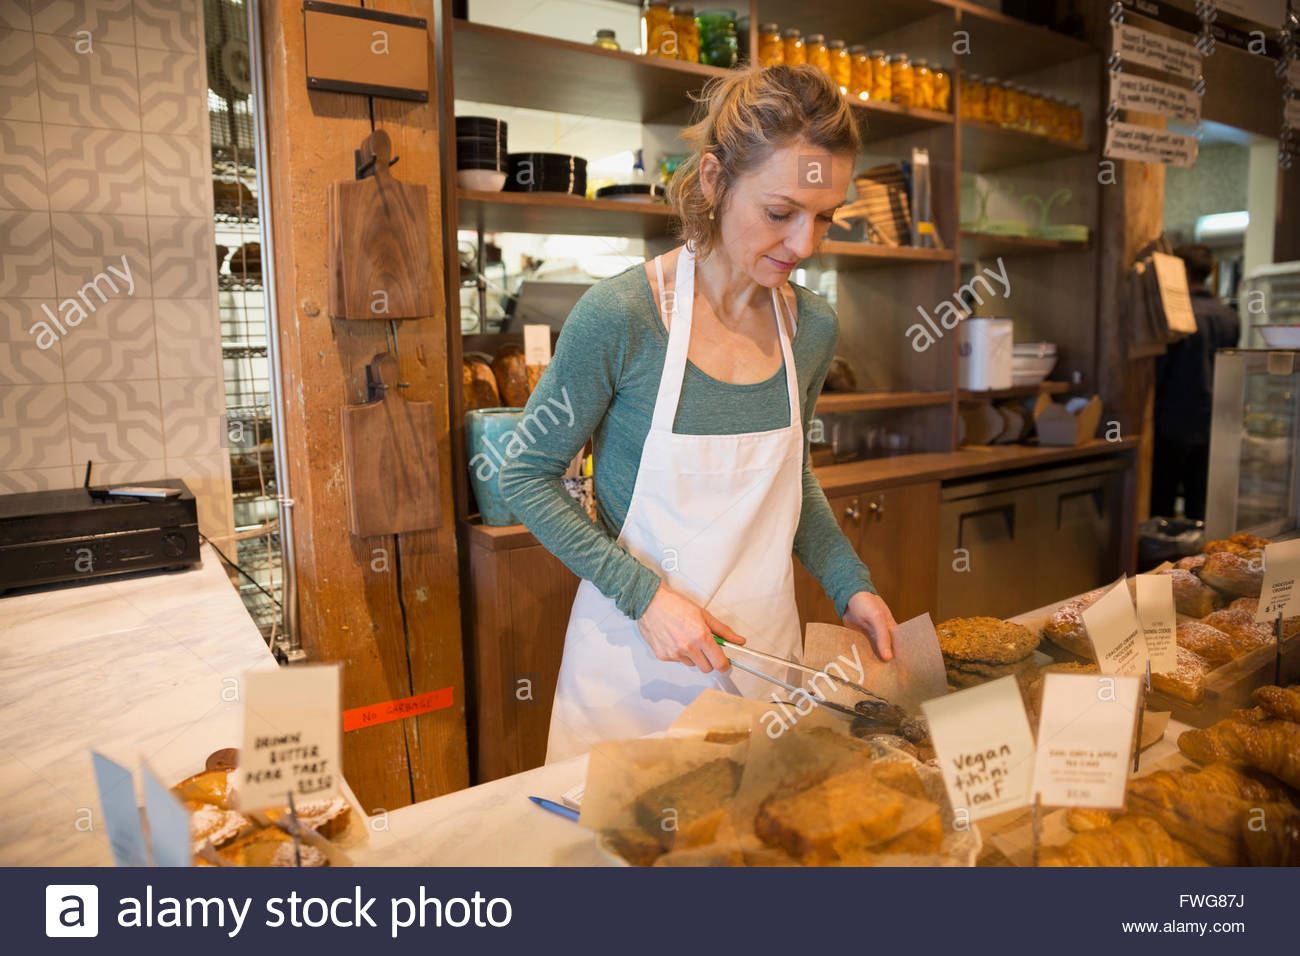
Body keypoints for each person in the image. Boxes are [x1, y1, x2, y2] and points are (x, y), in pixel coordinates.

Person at [499, 65, 897, 764]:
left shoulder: (813, 329)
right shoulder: (622, 317)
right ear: (713, 180)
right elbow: (525, 475)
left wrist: (849, 584)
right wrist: (646, 597)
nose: (805, 246)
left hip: (764, 668)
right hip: (632, 675)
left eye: (825, 216)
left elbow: (789, 482)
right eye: (780, 213)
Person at [1150, 243, 1240, 520]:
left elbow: (1160, 370)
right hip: (1215, 420)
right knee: (1199, 503)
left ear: (1182, 271)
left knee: (1161, 503)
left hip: (1171, 419)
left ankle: (1163, 560)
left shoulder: (1176, 314)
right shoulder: (1230, 315)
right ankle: (1198, 560)